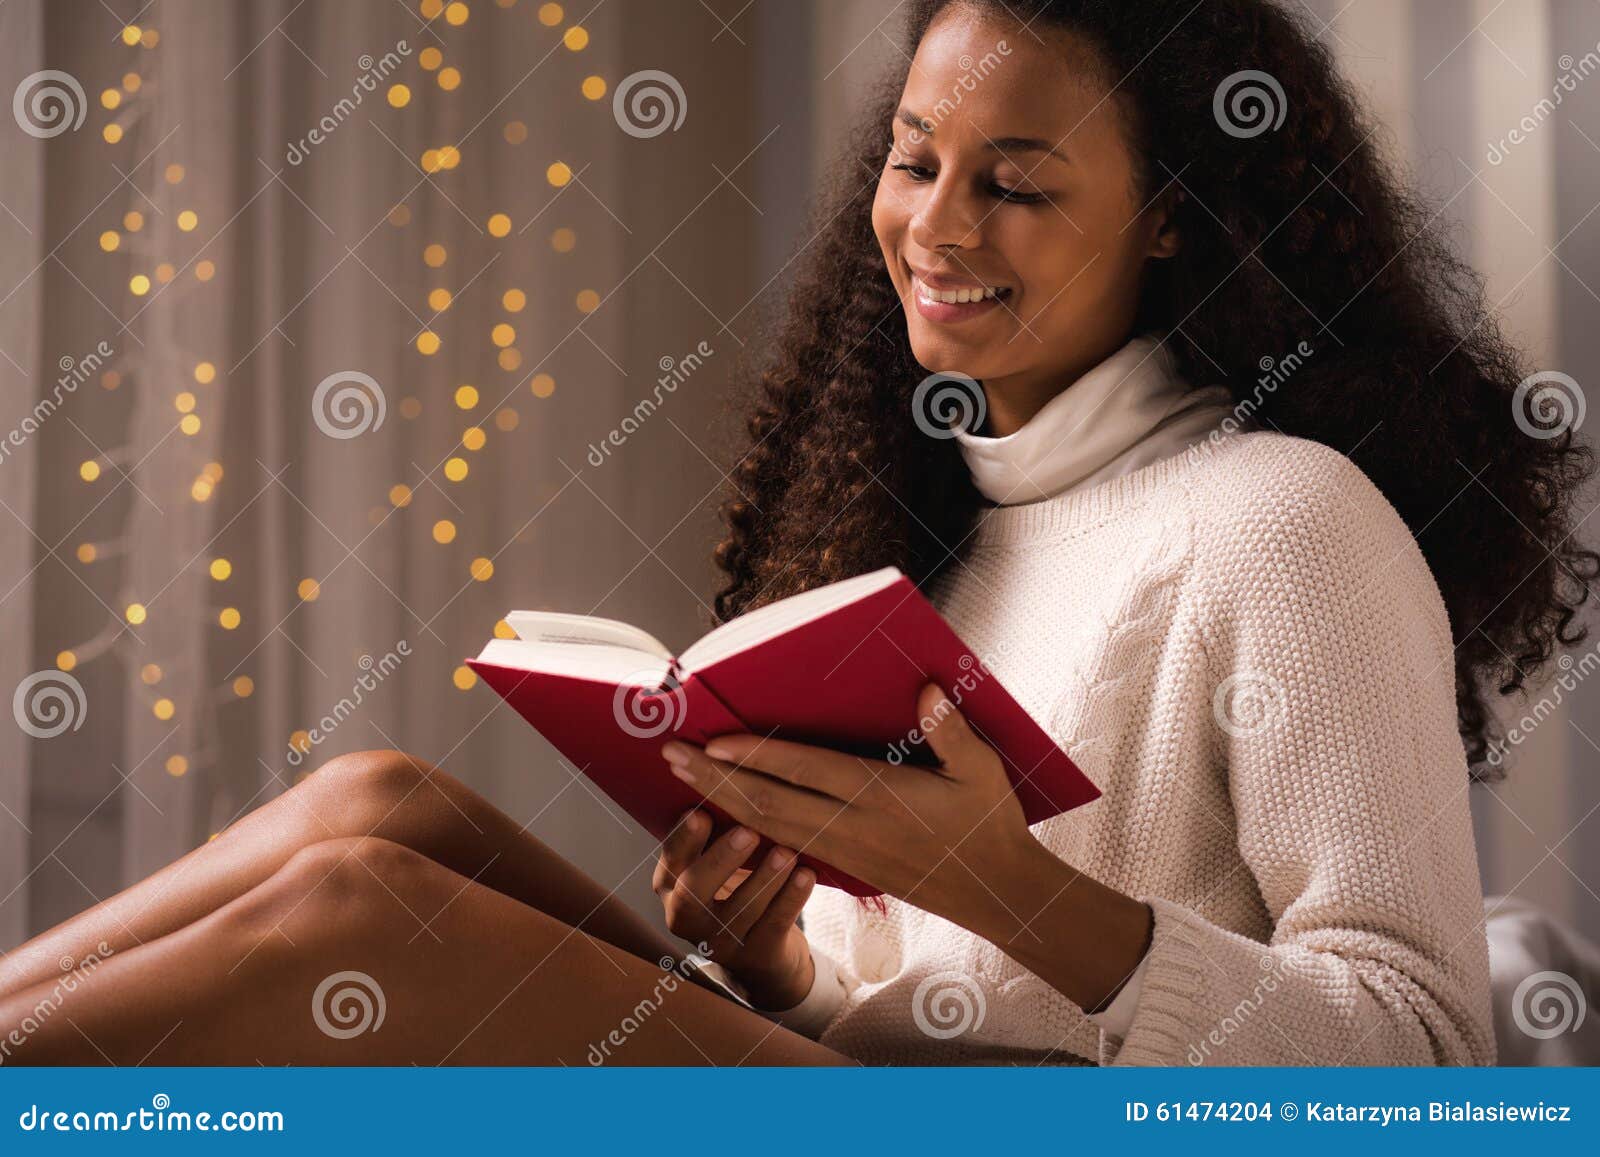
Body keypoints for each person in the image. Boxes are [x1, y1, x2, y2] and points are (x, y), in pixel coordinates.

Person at [3, 0, 1591, 1065]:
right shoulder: (935, 524)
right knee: (377, 800)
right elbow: (879, 995)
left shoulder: (1286, 522)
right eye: (916, 161)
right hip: (858, 1086)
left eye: (1016, 185)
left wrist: (1002, 885)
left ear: (1172, 214)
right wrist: (763, 956)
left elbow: (1423, 1054)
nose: (938, 228)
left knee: (354, 912)